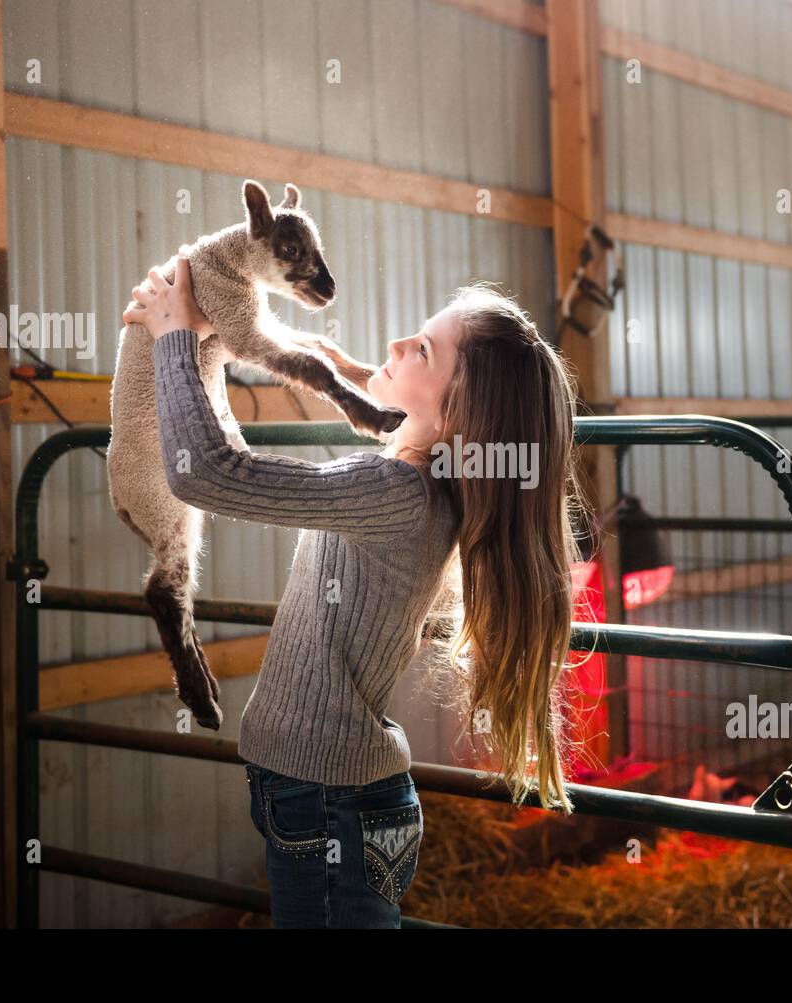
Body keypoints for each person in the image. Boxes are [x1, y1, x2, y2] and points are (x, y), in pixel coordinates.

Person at [124, 256, 591, 927]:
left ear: (458, 407)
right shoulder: (410, 481)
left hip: (329, 801)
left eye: (423, 349)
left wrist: (174, 338)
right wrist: (212, 341)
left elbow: (205, 474)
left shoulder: (395, 494)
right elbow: (317, 399)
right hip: (328, 793)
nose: (399, 343)